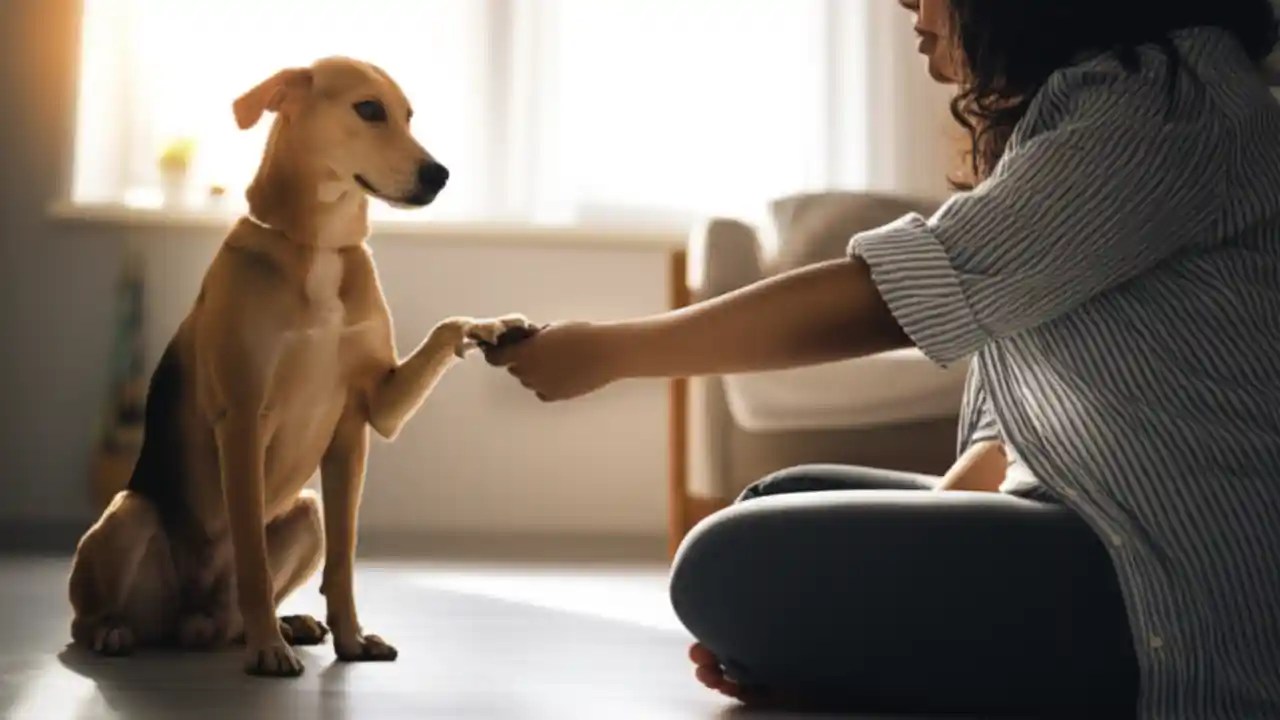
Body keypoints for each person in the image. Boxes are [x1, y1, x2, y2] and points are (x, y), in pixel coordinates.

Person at [482, 0, 1280, 716]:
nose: (905, 1)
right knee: (778, 502)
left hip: (1169, 584)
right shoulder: (1109, 102)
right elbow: (1006, 439)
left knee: (728, 565)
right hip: (1094, 517)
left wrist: (610, 352)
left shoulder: (1171, 107)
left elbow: (884, 299)